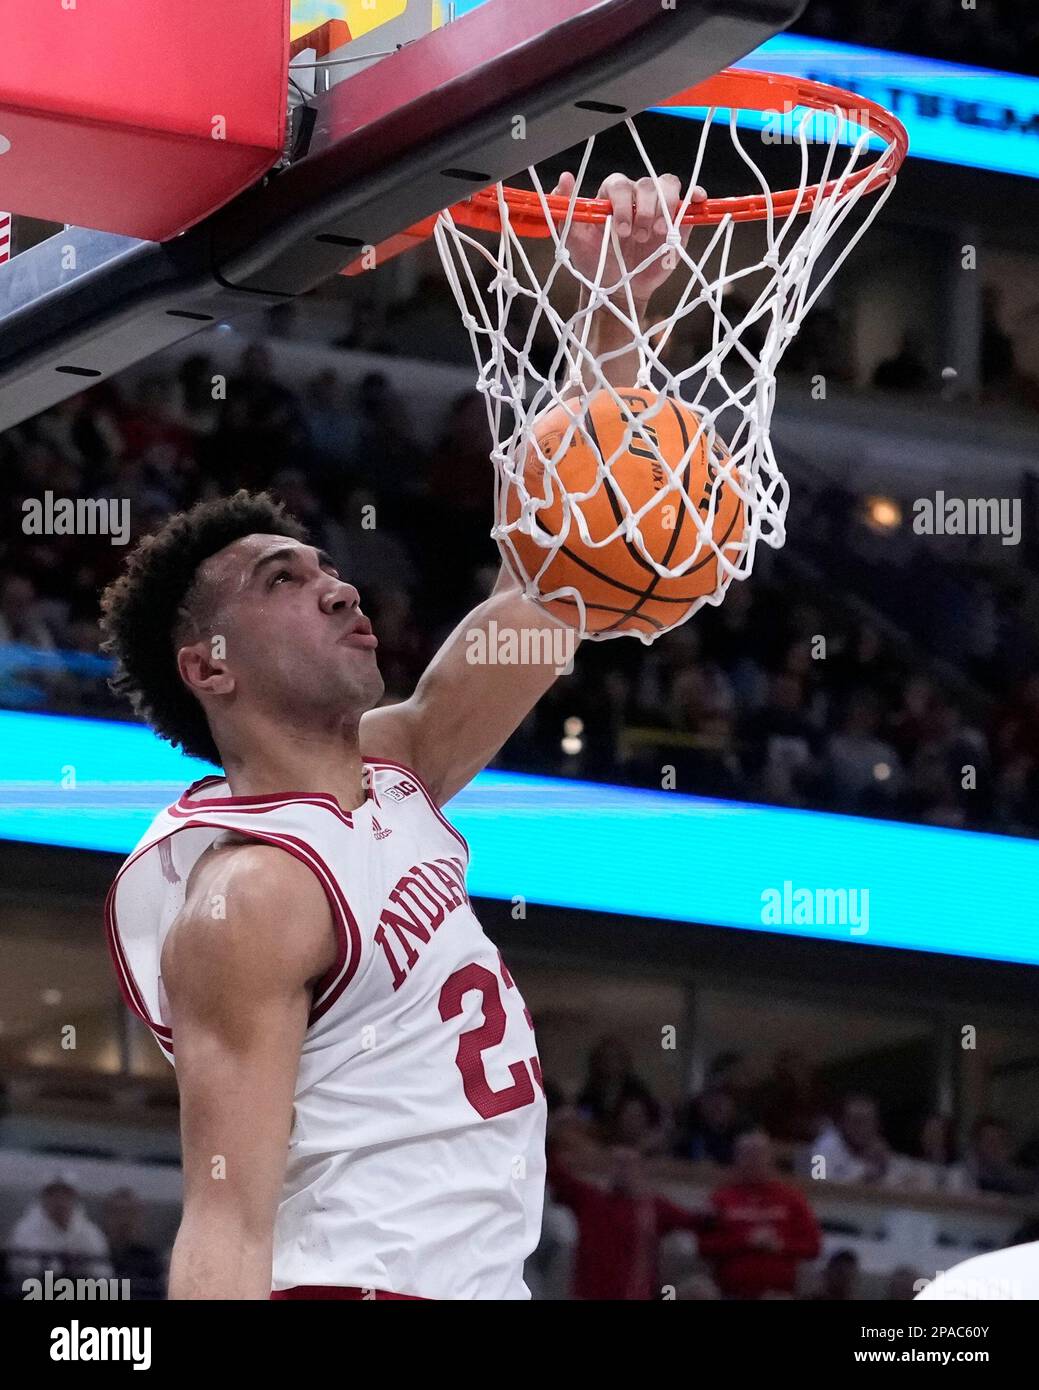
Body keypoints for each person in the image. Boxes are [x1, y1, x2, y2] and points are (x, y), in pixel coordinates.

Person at [99, 172, 705, 1301]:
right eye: (285, 580)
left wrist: (614, 311)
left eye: (331, 568)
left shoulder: (397, 769)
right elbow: (225, 1216)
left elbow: (561, 578)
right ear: (208, 666)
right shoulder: (250, 897)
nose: (336, 588)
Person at [547, 1144, 708, 1300]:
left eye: (628, 1165)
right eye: (617, 1164)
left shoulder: (652, 1209)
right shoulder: (590, 1199)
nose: (622, 1170)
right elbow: (556, 1175)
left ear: (640, 1170)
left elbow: (697, 1221)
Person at [698, 1130, 822, 1299]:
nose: (753, 1161)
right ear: (736, 1159)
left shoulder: (792, 1198)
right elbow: (705, 1245)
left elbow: (814, 1246)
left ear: (770, 1158)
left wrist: (780, 1245)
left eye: (758, 1155)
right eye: (746, 1155)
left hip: (778, 1294)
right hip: (730, 1292)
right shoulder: (720, 1199)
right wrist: (746, 1241)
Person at [5, 1176, 112, 1284]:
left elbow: (103, 1272)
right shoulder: (25, 1230)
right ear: (43, 1197)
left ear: (74, 1198)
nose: (60, 1200)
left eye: (66, 1194)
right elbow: (25, 1269)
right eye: (53, 1194)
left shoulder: (91, 1232)